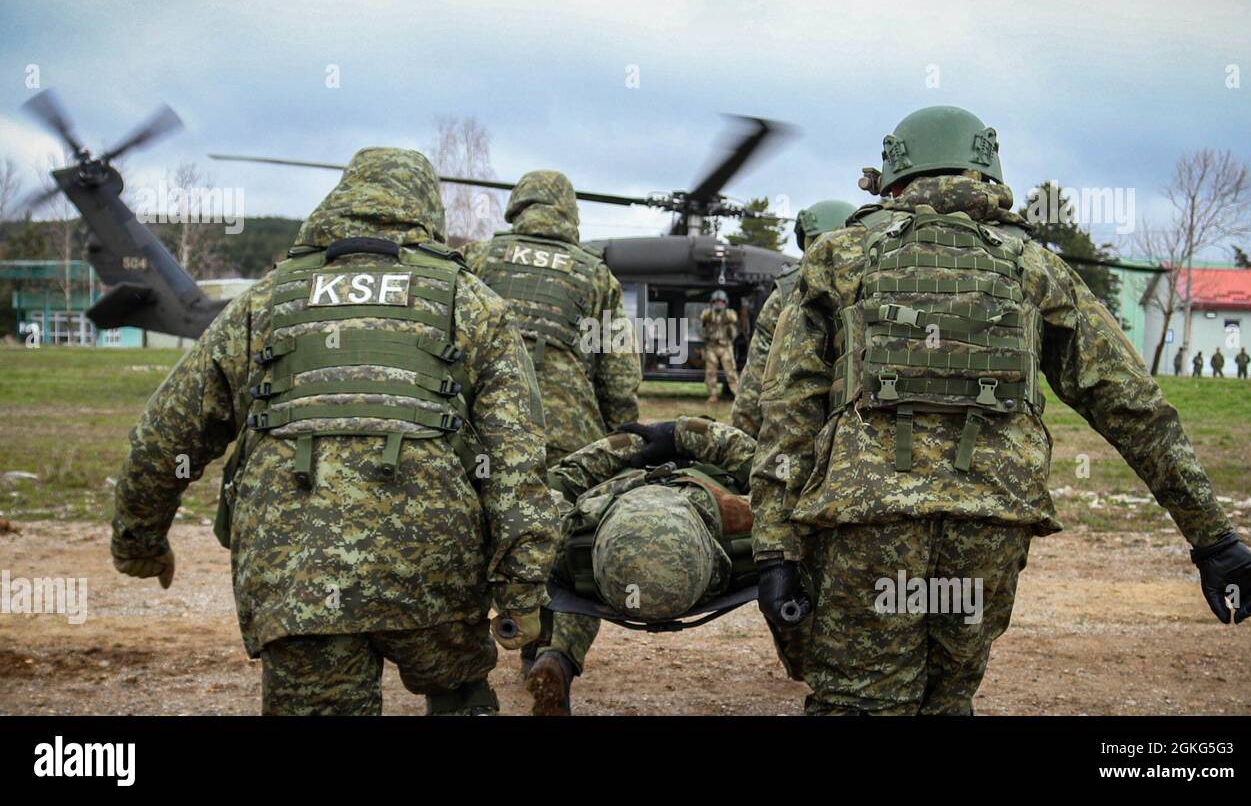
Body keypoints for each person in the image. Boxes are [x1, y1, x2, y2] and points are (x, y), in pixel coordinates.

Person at [750, 106, 1251, 715]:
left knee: (861, 704)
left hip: (869, 524)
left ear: (892, 178)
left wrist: (775, 549)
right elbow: (1131, 405)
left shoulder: (837, 259)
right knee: (947, 701)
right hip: (990, 525)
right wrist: (1213, 539)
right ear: (990, 174)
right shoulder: (1034, 267)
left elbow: (788, 414)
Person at [110, 148, 560, 715]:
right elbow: (517, 465)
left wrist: (139, 542)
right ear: (426, 210)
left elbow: (166, 433)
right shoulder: (471, 303)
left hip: (297, 577)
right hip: (431, 575)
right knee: (459, 692)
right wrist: (520, 592)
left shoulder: (265, 301)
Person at [527, 417, 800, 714]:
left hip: (602, 577)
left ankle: (557, 655)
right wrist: (680, 434)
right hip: (709, 571)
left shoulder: (578, 529)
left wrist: (630, 443)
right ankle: (801, 643)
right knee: (781, 564)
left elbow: (556, 482)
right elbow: (767, 472)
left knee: (573, 579)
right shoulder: (738, 525)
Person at [462, 170, 641, 466]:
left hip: (481, 433)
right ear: (570, 212)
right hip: (568, 438)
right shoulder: (597, 276)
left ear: (517, 207)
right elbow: (620, 377)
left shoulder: (476, 259)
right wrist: (621, 433)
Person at [732, 199, 856, 437]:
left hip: (797, 441)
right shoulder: (879, 284)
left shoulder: (787, 293)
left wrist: (744, 446)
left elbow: (752, 392)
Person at [699, 289, 740, 404]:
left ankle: (737, 396)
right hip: (712, 346)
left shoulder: (728, 313)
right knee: (710, 372)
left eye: (721, 302)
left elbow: (733, 319)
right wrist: (710, 314)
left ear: (725, 302)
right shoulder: (708, 313)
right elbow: (702, 319)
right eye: (716, 302)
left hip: (725, 346)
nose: (718, 304)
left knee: (731, 372)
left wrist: (724, 313)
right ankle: (713, 395)